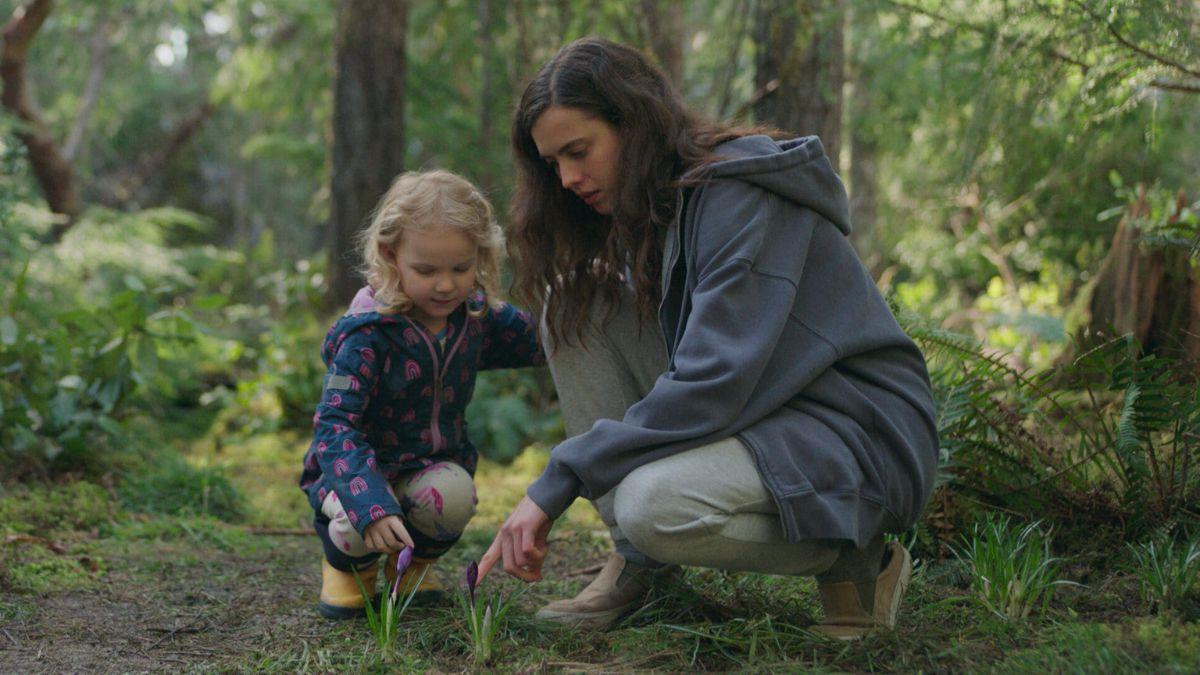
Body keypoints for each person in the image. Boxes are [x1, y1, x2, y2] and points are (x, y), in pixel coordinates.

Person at [478, 37, 938, 640]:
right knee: (575, 298)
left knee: (652, 505)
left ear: (633, 124)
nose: (566, 178)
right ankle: (640, 563)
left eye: (578, 151)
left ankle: (860, 561)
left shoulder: (739, 193)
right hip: (768, 408)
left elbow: (714, 380)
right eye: (553, 164)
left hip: (852, 427)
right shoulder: (660, 205)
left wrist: (559, 478)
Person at [299, 170, 545, 619]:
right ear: (392, 256)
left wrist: (591, 313)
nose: (446, 285)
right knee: (357, 521)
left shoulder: (473, 315)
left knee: (453, 494)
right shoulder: (369, 333)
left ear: (481, 257)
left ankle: (411, 568)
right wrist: (369, 504)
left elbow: (542, 340)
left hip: (425, 469)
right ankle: (347, 569)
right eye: (426, 270)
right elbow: (335, 425)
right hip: (356, 473)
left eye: (461, 268)